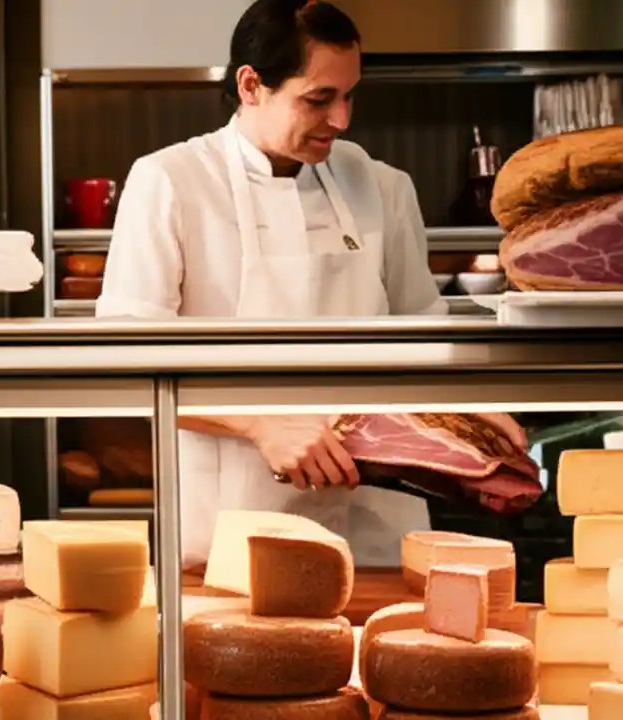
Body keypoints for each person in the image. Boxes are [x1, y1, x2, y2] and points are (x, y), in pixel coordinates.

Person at [95, 0, 447, 569]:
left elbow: (426, 340)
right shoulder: (170, 181)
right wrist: (260, 425)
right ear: (251, 84)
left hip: (372, 528)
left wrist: (477, 417)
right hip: (228, 535)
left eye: (349, 95)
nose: (341, 120)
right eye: (318, 99)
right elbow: (128, 362)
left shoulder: (382, 187)